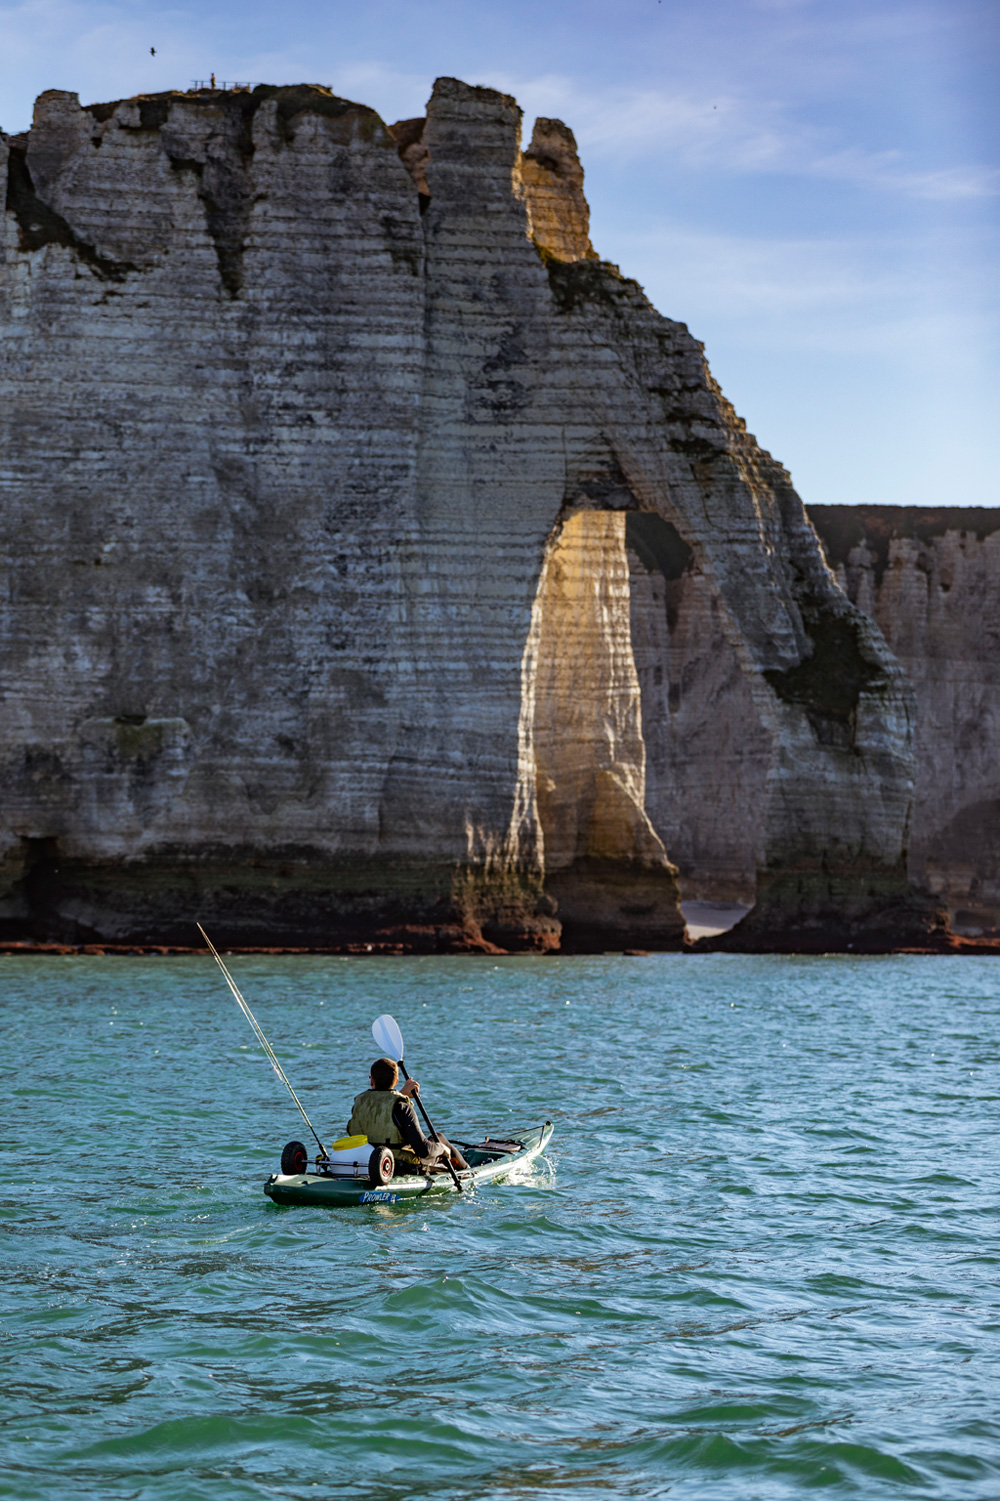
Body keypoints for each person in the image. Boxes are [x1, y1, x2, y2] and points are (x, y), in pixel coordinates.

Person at [347, 1058, 468, 1174]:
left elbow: (381, 1108)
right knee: (439, 1138)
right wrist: (441, 1149)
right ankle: (467, 1171)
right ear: (396, 1082)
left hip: (366, 1159)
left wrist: (400, 1095)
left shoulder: (358, 1104)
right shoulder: (402, 1108)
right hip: (400, 1163)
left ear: (371, 1080)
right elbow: (423, 1150)